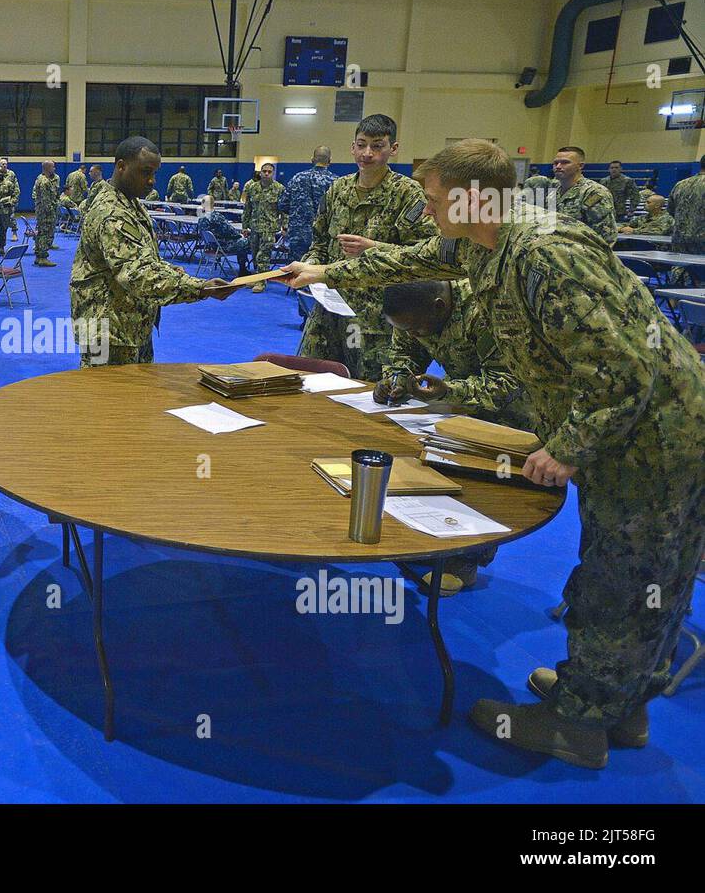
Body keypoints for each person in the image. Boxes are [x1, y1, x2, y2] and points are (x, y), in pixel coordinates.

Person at [285, 138, 705, 769]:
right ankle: (619, 703)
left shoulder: (545, 253)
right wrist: (323, 273)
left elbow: (624, 367)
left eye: (431, 200)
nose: (425, 212)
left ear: (470, 198)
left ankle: (578, 725)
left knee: (622, 576)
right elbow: (405, 260)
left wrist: (567, 446)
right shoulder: (484, 241)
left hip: (651, 435)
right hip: (636, 425)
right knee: (647, 574)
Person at [373, 278, 532, 597]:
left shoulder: (487, 312)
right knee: (428, 458)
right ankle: (432, 538)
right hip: (465, 399)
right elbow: (404, 355)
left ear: (440, 307)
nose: (414, 335)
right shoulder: (412, 310)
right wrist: (395, 381)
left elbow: (509, 381)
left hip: (519, 405)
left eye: (417, 329)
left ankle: (466, 557)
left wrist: (451, 391)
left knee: (485, 474)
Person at [70, 136, 236, 367]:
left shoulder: (130, 204)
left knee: (136, 399)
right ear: (121, 166)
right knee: (107, 401)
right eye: (145, 171)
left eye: (154, 173)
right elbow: (138, 275)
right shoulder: (112, 214)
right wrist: (199, 288)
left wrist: (176, 274)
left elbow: (145, 259)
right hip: (108, 331)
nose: (151, 181)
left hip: (128, 324)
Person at [297, 113, 434, 380]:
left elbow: (425, 256)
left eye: (377, 145)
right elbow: (319, 244)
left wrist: (373, 247)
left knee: (364, 392)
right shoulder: (337, 190)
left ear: (393, 149)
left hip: (375, 322)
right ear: (352, 147)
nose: (367, 153)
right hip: (327, 314)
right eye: (361, 144)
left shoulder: (408, 194)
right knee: (309, 386)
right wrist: (309, 267)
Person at [553, 146, 617, 246]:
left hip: (581, 256)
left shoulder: (594, 193)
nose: (558, 166)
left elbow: (605, 237)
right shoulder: (552, 192)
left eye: (565, 162)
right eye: (556, 163)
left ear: (580, 166)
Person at [282, 146, 337, 263]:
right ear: (330, 161)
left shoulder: (297, 178)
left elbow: (283, 204)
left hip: (298, 234)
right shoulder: (335, 182)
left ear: (312, 160)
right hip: (323, 237)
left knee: (295, 272)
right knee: (319, 273)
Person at [242, 161, 284, 292]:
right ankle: (257, 276)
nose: (266, 174)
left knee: (263, 255)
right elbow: (247, 207)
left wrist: (285, 227)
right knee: (254, 254)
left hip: (269, 228)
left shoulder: (279, 189)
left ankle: (261, 282)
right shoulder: (252, 188)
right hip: (255, 226)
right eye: (264, 171)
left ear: (273, 173)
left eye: (269, 172)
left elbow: (284, 210)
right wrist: (244, 225)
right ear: (260, 173)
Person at [667, 154, 705, 254]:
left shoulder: (680, 184)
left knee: (680, 268)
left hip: (679, 240)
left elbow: (671, 210)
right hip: (702, 242)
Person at [197, 207, 250, 276]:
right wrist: (240, 235)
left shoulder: (201, 218)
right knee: (246, 242)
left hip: (211, 246)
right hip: (224, 246)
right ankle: (243, 269)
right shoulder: (216, 216)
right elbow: (230, 231)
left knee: (241, 241)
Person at [32, 160, 61, 267]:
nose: (54, 169)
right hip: (46, 213)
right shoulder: (44, 182)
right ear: (48, 168)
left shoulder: (41, 178)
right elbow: (46, 200)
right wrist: (51, 212)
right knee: (45, 234)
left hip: (42, 212)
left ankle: (39, 257)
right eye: (53, 167)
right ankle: (43, 257)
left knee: (40, 234)